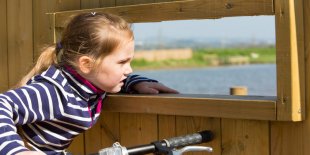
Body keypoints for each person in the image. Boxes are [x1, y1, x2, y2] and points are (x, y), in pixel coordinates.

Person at [0, 12, 178, 155]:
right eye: (122, 62)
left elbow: (109, 80)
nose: (129, 70)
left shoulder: (88, 83)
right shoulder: (55, 91)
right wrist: (15, 150)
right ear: (86, 64)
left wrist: (136, 83)